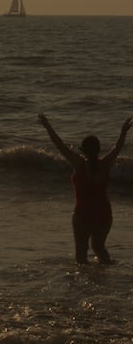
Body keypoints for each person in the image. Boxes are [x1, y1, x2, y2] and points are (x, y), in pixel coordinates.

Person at [38, 112, 133, 264]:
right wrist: (123, 132)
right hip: (104, 215)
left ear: (83, 150)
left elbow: (60, 145)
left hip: (83, 215)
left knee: (81, 256)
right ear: (98, 149)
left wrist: (48, 126)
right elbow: (117, 148)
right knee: (99, 248)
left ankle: (85, 286)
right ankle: (107, 278)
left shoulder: (79, 164)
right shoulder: (105, 164)